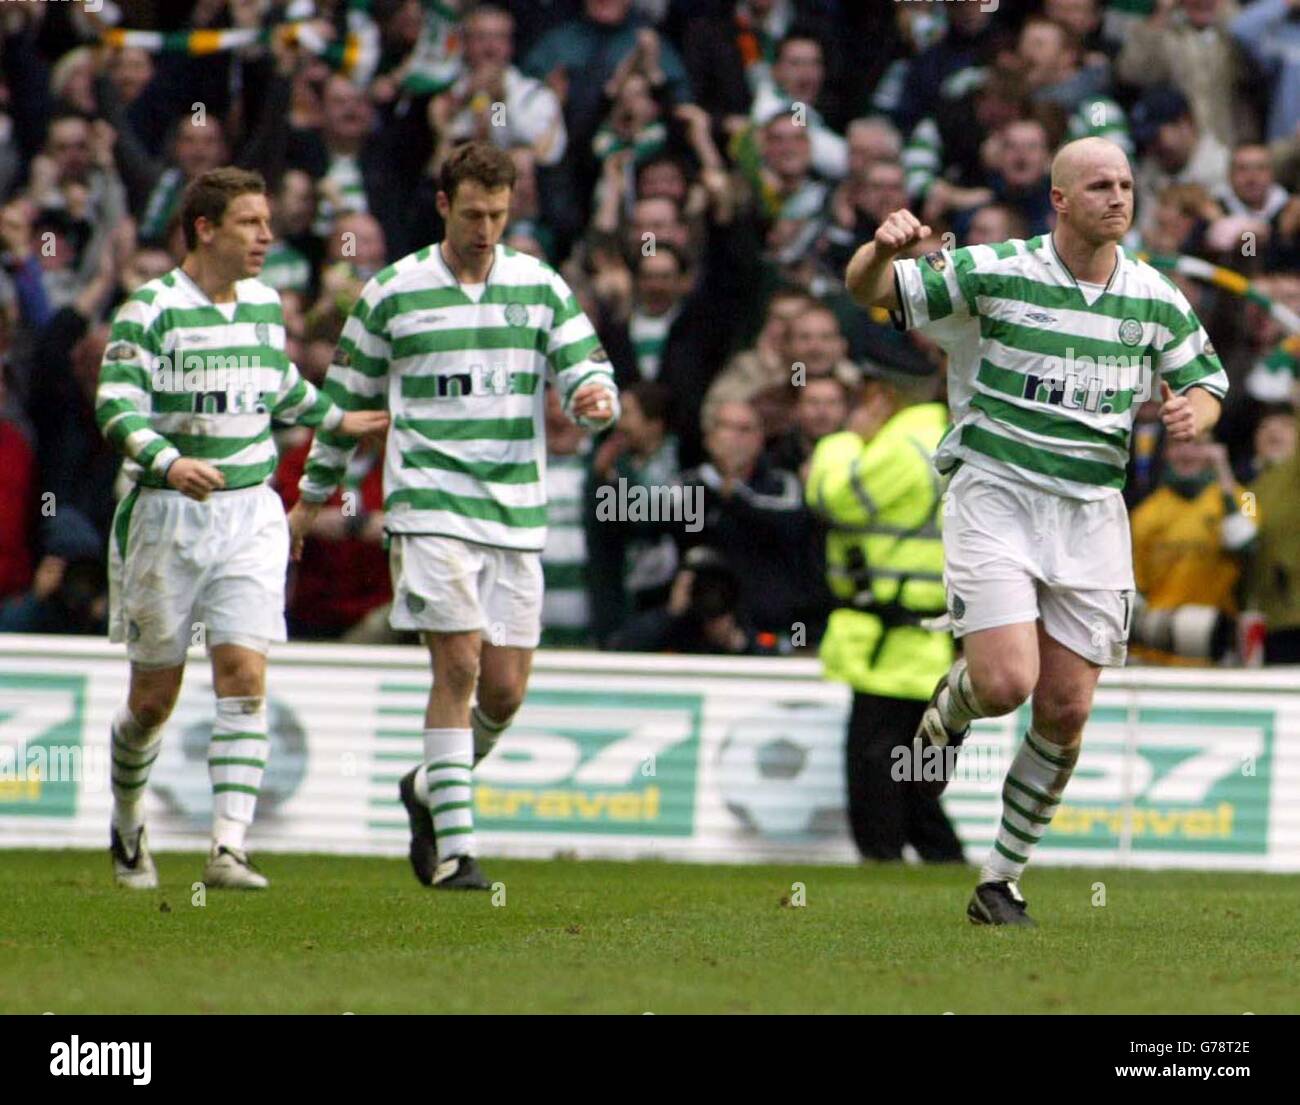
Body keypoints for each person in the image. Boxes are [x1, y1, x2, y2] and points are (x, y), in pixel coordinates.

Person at [845, 136, 1228, 926]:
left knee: (1064, 709)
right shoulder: (999, 271)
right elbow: (872, 294)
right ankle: (953, 705)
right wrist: (875, 252)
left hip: (1090, 513)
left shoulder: (1153, 296)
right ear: (1059, 199)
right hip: (997, 494)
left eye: (1125, 184)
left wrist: (1199, 409)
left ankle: (1000, 879)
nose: (1119, 197)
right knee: (1007, 682)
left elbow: (1205, 376)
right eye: (1099, 186)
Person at [289, 142, 619, 891]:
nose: (486, 229)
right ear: (443, 205)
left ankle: (427, 786)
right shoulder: (393, 292)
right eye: (473, 213)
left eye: (499, 215)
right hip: (429, 504)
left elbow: (587, 368)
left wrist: (597, 401)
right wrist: (312, 499)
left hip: (513, 512)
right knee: (460, 663)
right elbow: (344, 403)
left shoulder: (538, 285)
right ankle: (454, 851)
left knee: (503, 691)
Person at [95, 167, 388, 891]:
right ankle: (129, 818)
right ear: (205, 228)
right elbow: (114, 407)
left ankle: (228, 845)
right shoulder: (149, 310)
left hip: (252, 509)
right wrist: (168, 460)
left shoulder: (262, 305)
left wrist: (332, 418)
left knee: (245, 676)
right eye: (251, 223)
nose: (266, 236)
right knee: (153, 701)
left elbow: (275, 382)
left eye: (266, 223)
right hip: (168, 515)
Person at [805, 358, 963, 864]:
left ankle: (888, 866)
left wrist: (842, 441)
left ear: (881, 396)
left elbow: (834, 497)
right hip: (927, 639)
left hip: (894, 647)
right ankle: (943, 866)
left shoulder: (905, 444)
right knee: (917, 781)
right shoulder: (941, 435)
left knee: (877, 773)